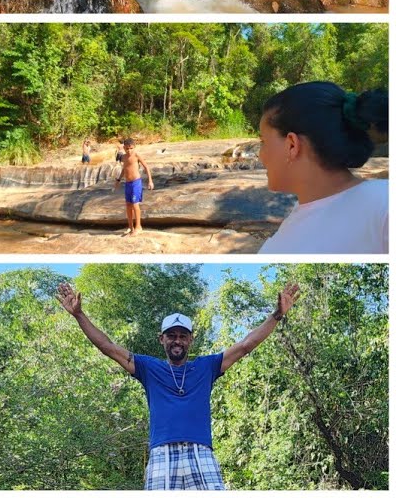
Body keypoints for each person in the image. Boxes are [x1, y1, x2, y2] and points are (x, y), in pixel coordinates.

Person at [58, 282, 301, 490]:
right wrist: (79, 315)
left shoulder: (207, 366)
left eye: (183, 336)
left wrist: (276, 315)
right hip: (162, 453)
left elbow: (246, 344)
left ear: (191, 340)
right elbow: (108, 346)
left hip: (200, 451)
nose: (177, 340)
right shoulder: (148, 367)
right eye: (171, 335)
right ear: (161, 339)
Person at [257, 82, 388, 254]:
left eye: (263, 142)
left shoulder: (385, 203)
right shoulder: (301, 213)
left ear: (292, 145)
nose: (260, 155)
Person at [115, 137, 153, 235]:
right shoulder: (123, 157)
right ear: (124, 148)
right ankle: (130, 227)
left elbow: (146, 167)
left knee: (135, 204)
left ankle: (138, 227)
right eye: (127, 148)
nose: (129, 150)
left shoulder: (136, 155)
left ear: (134, 147)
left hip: (136, 183)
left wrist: (150, 181)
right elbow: (124, 169)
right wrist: (118, 180)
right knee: (128, 205)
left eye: (131, 148)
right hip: (128, 183)